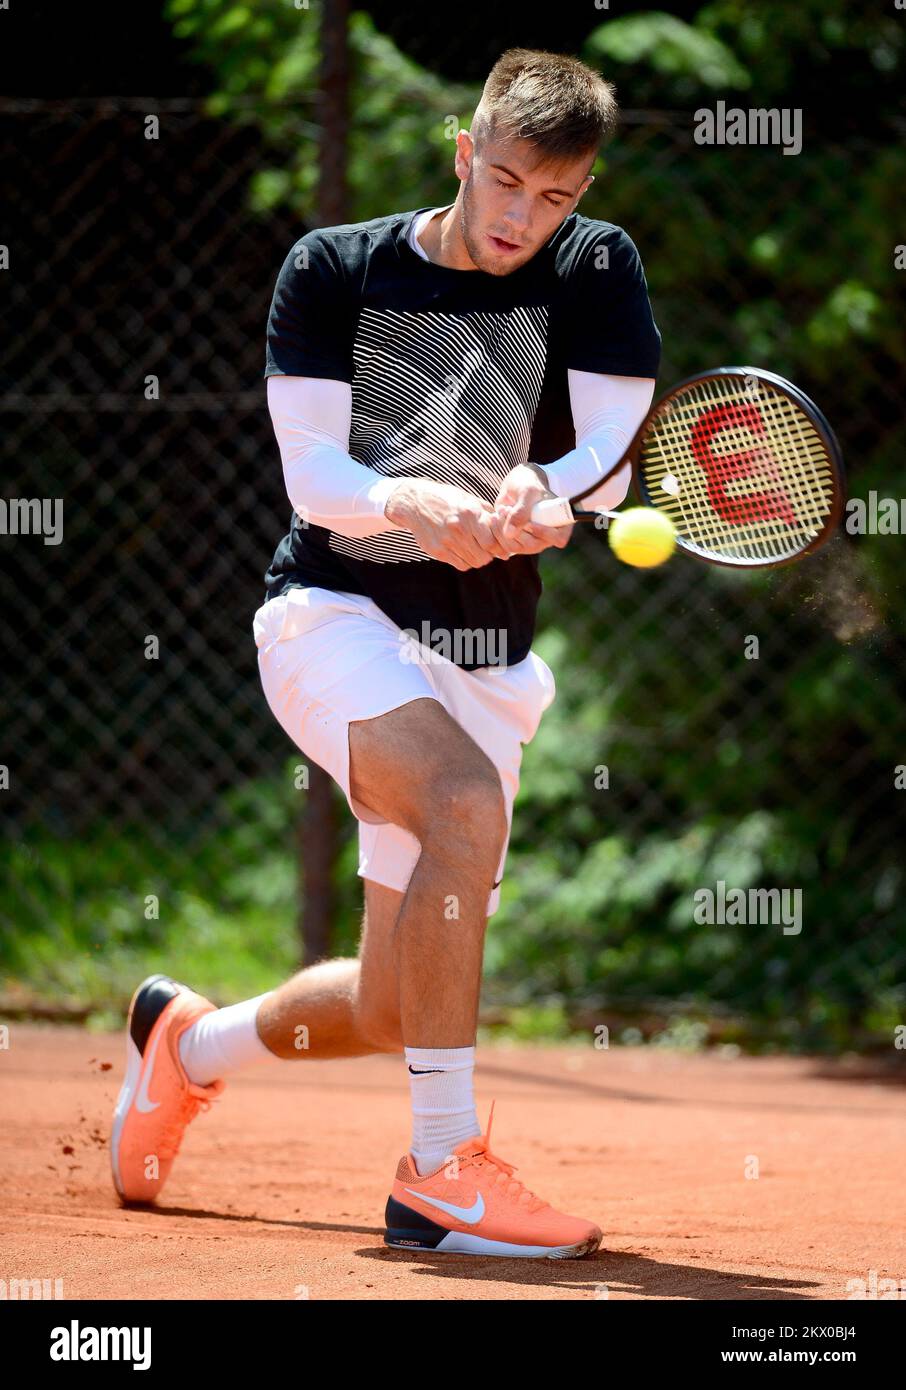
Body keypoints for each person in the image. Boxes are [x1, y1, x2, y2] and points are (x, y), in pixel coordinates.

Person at [110, 46, 660, 1260]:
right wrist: (414, 501)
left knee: (393, 1001)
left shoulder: (597, 266)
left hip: (488, 662)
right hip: (332, 617)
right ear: (466, 153)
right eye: (507, 182)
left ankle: (184, 1046)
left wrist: (545, 483)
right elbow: (315, 477)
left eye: (556, 198)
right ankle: (441, 1173)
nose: (526, 218)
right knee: (460, 799)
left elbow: (615, 445)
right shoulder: (335, 269)